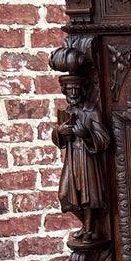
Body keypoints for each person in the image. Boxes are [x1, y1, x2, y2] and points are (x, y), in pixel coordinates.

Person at [52, 75, 111, 241]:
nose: (72, 93)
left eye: (76, 90)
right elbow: (59, 140)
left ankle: (90, 228)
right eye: (69, 90)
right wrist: (59, 132)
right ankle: (86, 225)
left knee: (88, 197)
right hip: (72, 157)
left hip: (87, 159)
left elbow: (104, 138)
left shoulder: (91, 111)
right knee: (64, 195)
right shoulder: (67, 112)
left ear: (82, 91)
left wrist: (86, 135)